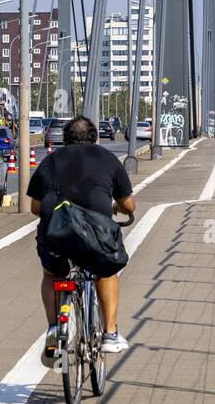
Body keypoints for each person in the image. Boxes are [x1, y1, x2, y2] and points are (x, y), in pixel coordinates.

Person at [27, 114, 136, 366]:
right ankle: (109, 333)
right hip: (95, 234)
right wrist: (121, 208)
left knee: (52, 275)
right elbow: (128, 203)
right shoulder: (107, 158)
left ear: (64, 140)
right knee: (106, 270)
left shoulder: (50, 161)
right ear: (95, 139)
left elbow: (35, 207)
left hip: (56, 234)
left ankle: (55, 328)